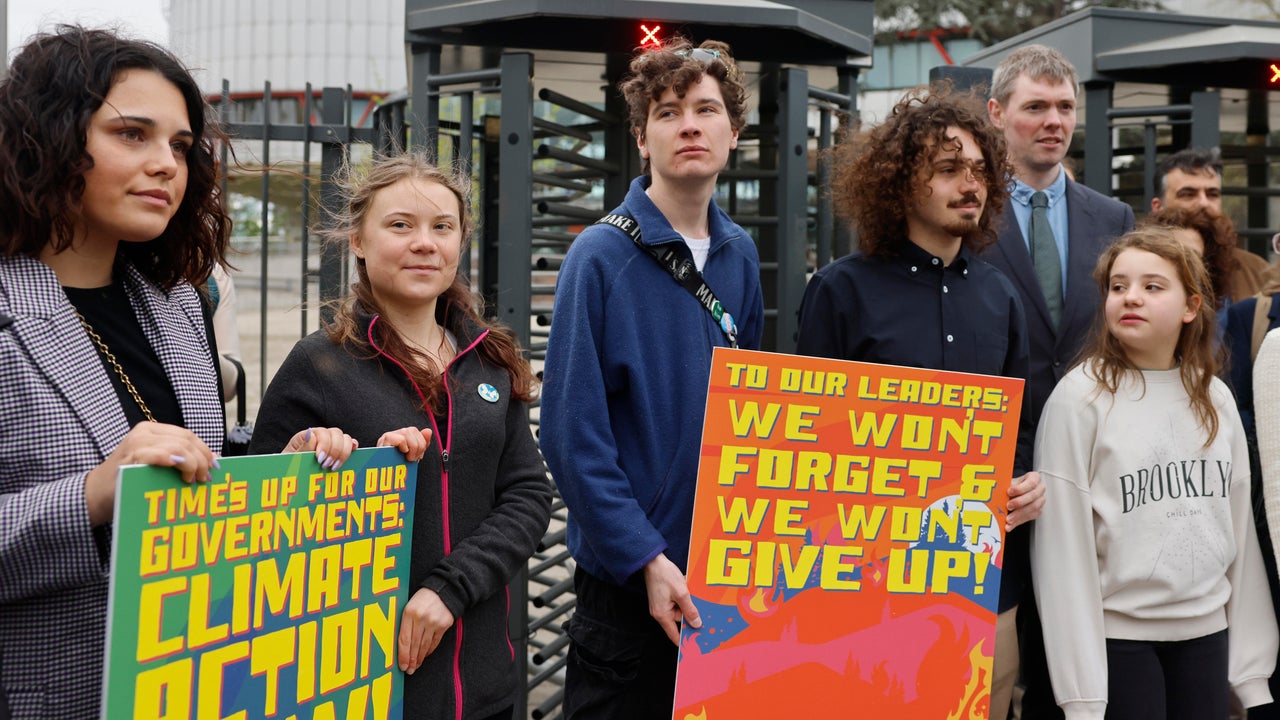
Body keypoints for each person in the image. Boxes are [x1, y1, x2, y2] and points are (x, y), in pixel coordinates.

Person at [0, 26, 354, 719]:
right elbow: (116, 490)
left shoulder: (176, 306)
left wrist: (275, 480)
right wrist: (95, 494)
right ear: (47, 139)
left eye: (181, 147)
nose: (166, 163)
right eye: (133, 134)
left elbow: (187, 489)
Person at [249, 152, 554, 720]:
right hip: (361, 688)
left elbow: (528, 495)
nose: (424, 243)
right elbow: (253, 528)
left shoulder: (489, 359)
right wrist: (317, 465)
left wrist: (449, 589)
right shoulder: (318, 364)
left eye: (442, 227)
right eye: (400, 225)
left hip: (484, 690)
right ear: (358, 241)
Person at [794, 85, 1044, 720]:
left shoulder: (1002, 298)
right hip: (867, 592)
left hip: (985, 589)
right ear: (901, 183)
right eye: (948, 169)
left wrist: (1027, 483)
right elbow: (803, 445)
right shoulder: (838, 290)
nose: (971, 184)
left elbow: (1018, 434)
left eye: (981, 170)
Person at [539, 37, 765, 719]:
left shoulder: (740, 255)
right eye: (668, 113)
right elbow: (570, 434)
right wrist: (646, 558)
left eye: (705, 109)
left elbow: (747, 413)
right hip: (627, 595)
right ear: (642, 138)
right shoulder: (599, 256)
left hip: (721, 580)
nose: (689, 125)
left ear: (732, 132)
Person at [1032, 227, 1278, 719]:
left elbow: (1241, 539)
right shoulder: (1080, 399)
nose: (1131, 298)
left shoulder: (1214, 396)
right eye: (1118, 287)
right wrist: (1081, 698)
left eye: (1151, 286)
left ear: (1191, 307)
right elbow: (1061, 552)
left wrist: (1252, 681)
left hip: (1207, 637)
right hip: (1118, 643)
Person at [982, 44, 1136, 719]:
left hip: (1092, 478)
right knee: (987, 667)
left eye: (1064, 107)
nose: (1053, 120)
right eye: (1035, 107)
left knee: (1078, 667)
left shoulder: (1114, 219)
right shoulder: (964, 212)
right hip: (993, 479)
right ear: (996, 113)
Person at [1151, 146, 1269, 304]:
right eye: (1188, 194)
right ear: (1158, 207)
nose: (1203, 203)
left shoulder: (1256, 270)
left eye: (1212, 194)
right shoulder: (1134, 268)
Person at [1143, 206, 1239, 311]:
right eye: (1171, 254)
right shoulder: (1133, 302)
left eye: (1191, 257)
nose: (1182, 263)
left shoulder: (1221, 314)